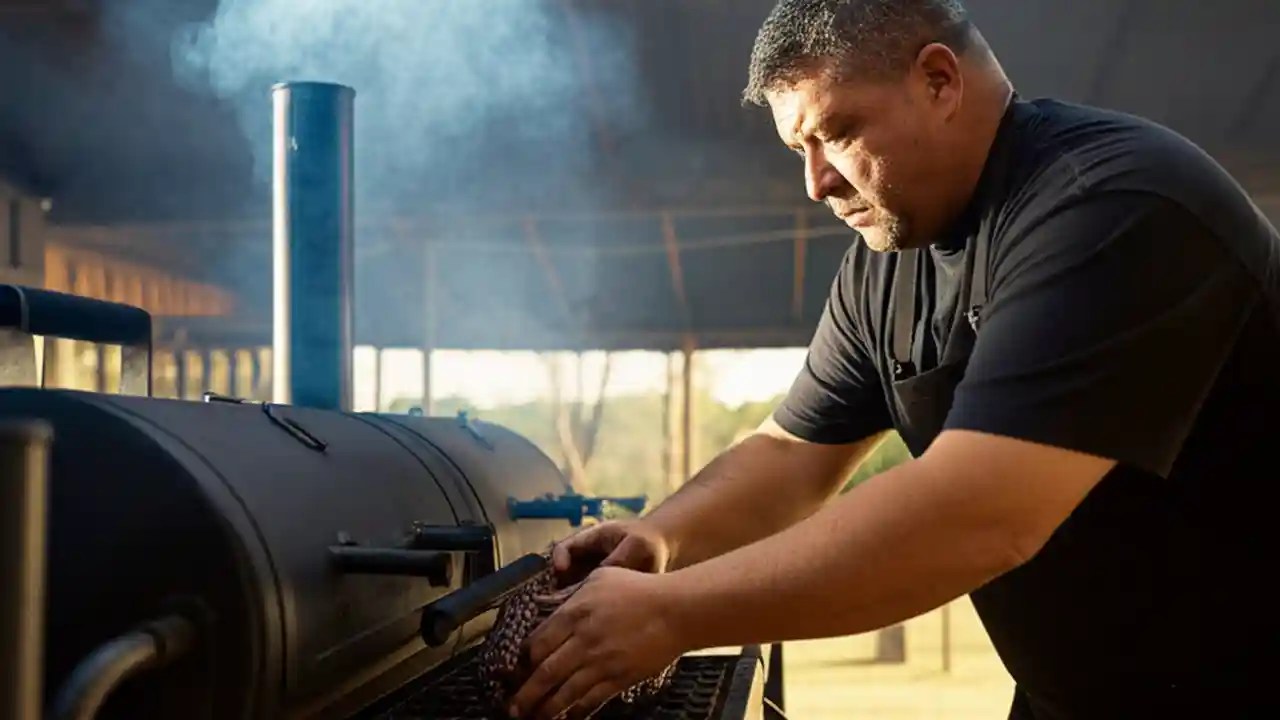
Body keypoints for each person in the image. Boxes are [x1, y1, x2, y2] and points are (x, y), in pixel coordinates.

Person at [507, 1, 1280, 718]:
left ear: (940, 80)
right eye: (797, 149)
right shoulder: (887, 261)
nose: (815, 182)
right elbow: (791, 454)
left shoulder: (1113, 204)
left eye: (837, 132)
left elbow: (979, 513)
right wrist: (665, 537)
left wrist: (673, 613)